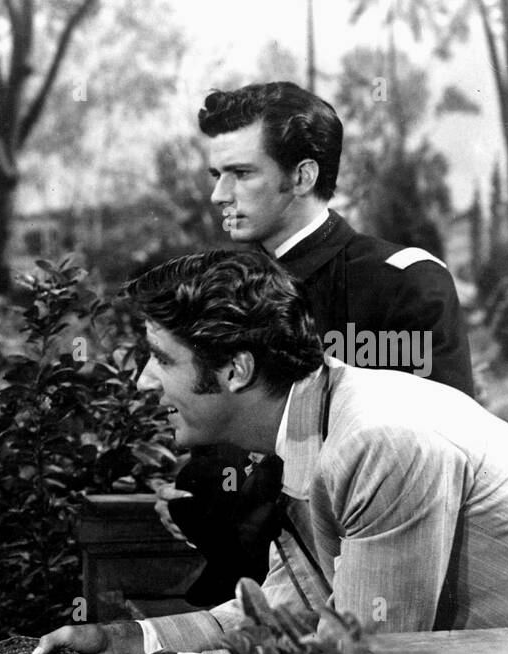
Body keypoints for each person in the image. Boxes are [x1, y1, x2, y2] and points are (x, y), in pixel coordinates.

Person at [35, 250, 508, 654]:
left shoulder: (376, 442)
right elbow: (282, 616)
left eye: (162, 359)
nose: (144, 383)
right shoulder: (315, 422)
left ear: (235, 369)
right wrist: (136, 640)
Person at [174, 81, 476, 604]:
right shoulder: (230, 291)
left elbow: (420, 468)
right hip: (240, 597)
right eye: (216, 175)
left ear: (303, 176)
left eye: (241, 173)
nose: (218, 195)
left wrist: (208, 498)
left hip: (354, 598)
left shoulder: (398, 283)